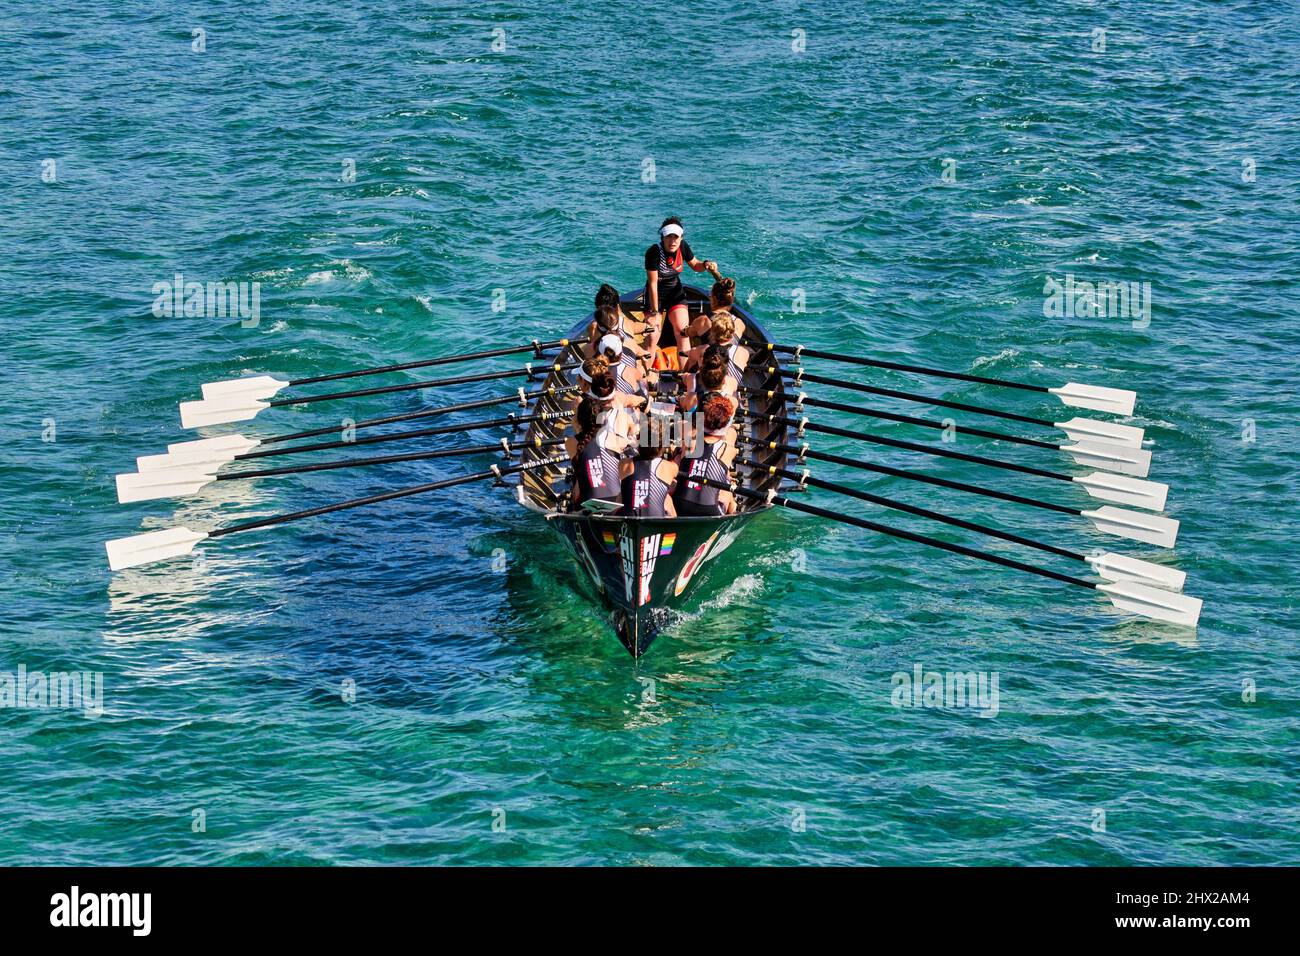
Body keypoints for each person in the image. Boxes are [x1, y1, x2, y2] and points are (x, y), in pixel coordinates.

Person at [643, 217, 719, 354]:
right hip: (655, 295)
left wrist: (707, 265)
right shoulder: (653, 252)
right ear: (663, 237)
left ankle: (685, 373)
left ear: (681, 237)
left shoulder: (683, 246)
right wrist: (654, 313)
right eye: (669, 237)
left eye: (676, 237)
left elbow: (696, 265)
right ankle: (647, 373)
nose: (672, 241)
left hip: (675, 293)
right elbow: (653, 284)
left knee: (683, 334)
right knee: (652, 336)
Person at [673, 396, 739, 516]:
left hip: (679, 504)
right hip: (709, 511)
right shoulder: (729, 450)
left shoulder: (689, 441)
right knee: (728, 491)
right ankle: (734, 513)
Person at [566, 396, 627, 511]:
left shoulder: (570, 443)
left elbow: (585, 441)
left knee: (577, 477)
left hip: (588, 505)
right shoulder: (617, 440)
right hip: (617, 506)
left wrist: (576, 420)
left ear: (579, 419)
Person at [619, 441, 678, 518]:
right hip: (655, 526)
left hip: (628, 525)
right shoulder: (672, 467)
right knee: (667, 499)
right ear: (661, 447)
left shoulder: (623, 463)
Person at [686, 276, 746, 344]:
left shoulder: (703, 321)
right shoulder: (740, 324)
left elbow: (687, 333)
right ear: (731, 300)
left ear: (714, 298)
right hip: (731, 354)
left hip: (707, 353)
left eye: (710, 296)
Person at [679, 349, 739, 417]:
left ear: (700, 381)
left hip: (699, 426)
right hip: (722, 426)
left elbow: (683, 407)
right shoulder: (733, 401)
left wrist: (680, 399)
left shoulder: (692, 398)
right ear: (724, 381)